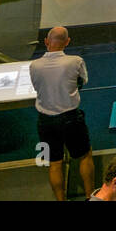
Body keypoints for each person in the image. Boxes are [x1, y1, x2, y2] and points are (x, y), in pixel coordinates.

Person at [29, 25, 95, 200]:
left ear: (46, 42)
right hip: (71, 118)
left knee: (55, 163)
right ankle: (90, 196)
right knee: (84, 156)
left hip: (46, 120)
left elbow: (36, 87)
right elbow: (83, 81)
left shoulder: (34, 65)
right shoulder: (76, 61)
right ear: (67, 42)